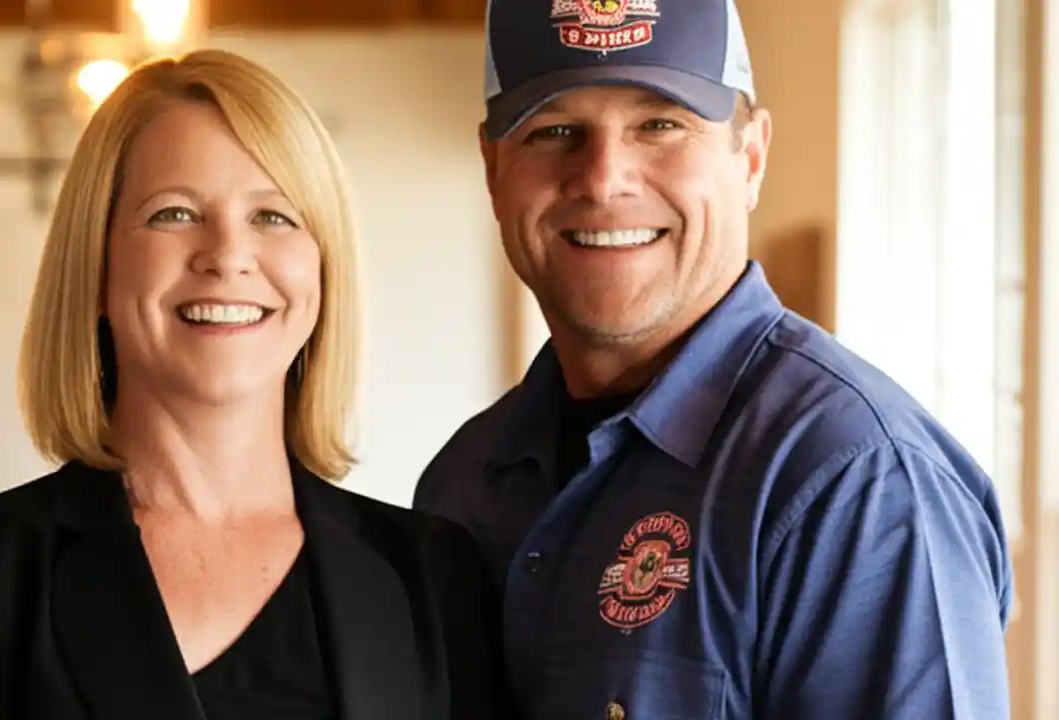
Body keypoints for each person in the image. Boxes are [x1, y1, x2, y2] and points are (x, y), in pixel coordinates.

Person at [0, 49, 508, 720]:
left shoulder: (430, 574)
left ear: (323, 271)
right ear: (96, 265)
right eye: (173, 213)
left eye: (273, 216)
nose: (227, 254)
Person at [414, 1, 1014, 718]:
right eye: (556, 131)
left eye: (660, 125)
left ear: (751, 157)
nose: (603, 179)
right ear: (493, 170)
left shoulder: (858, 483)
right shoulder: (462, 484)